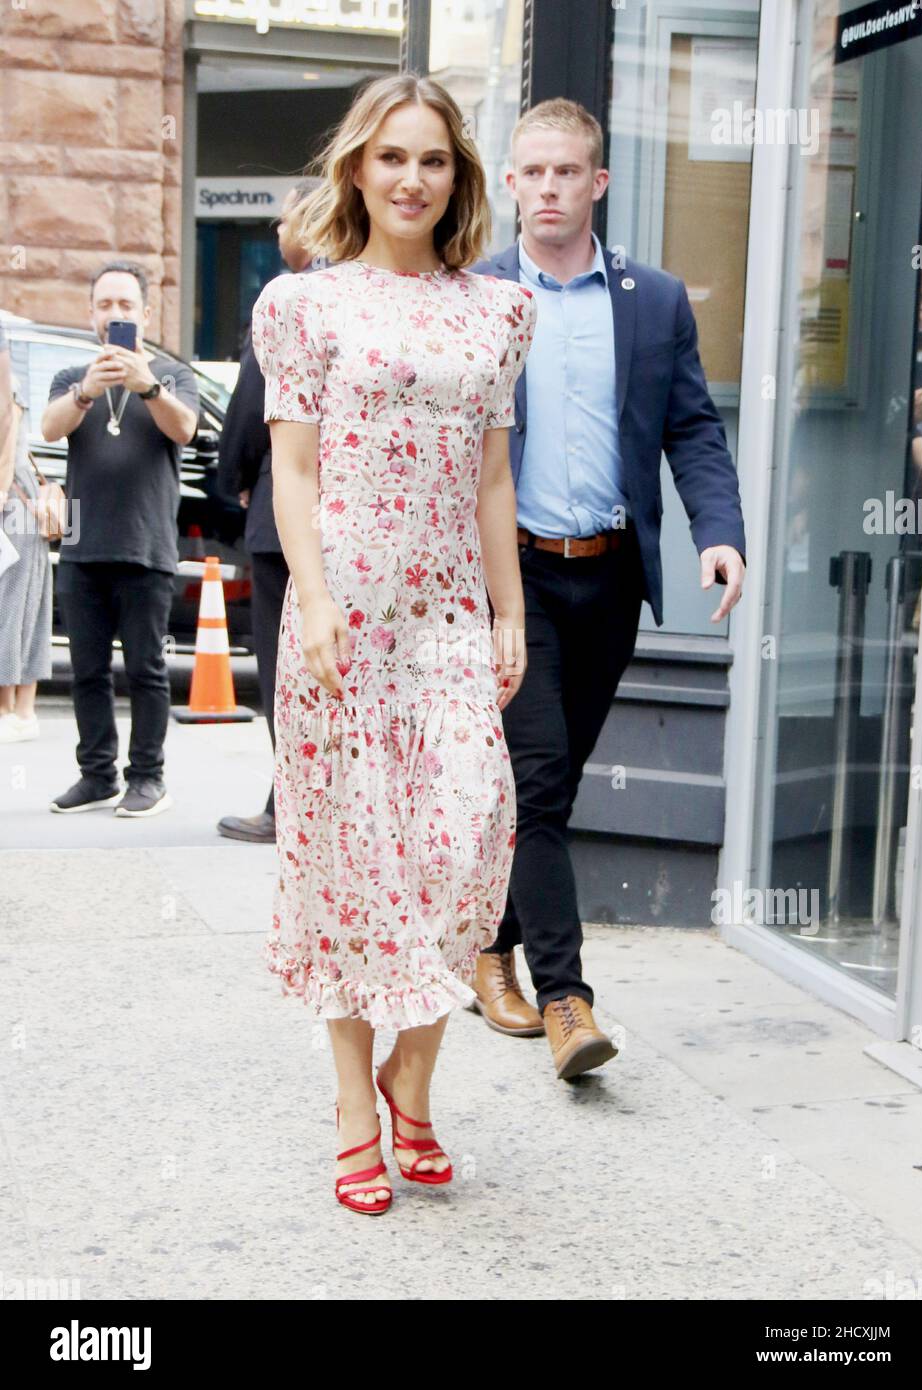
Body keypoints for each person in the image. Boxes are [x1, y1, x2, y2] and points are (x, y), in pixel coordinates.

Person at [251, 73, 535, 1214]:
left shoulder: (499, 311)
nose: (411, 178)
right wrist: (312, 598)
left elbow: (492, 480)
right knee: (351, 867)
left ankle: (412, 1073)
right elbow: (293, 467)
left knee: (464, 847)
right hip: (341, 624)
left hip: (451, 623)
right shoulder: (303, 306)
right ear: (357, 170)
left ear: (456, 177)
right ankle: (358, 1109)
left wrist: (511, 613)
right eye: (391, 157)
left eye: (432, 160)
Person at [471, 99, 746, 1080]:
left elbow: (692, 431)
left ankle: (485, 938)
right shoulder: (473, 292)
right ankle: (566, 1001)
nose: (546, 188)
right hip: (512, 580)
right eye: (529, 172)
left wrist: (717, 534)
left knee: (548, 782)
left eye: (565, 172)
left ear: (597, 182)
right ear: (509, 183)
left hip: (611, 577)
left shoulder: (653, 298)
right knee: (538, 776)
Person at [41, 261, 199, 817]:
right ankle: (96, 774)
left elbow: (185, 429)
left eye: (126, 306)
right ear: (91, 315)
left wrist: (146, 385)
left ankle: (148, 777)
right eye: (105, 306)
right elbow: (49, 427)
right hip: (84, 545)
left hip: (146, 545)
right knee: (85, 671)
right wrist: (88, 389)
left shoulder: (173, 377)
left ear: (145, 315)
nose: (115, 316)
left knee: (146, 671)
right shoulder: (71, 378)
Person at [216, 179, 319, 844]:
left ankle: (291, 810)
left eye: (284, 221)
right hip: (358, 523)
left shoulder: (289, 301)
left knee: (286, 674)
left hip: (285, 521)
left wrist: (235, 477)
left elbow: (253, 406)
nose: (277, 234)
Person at [0, 360, 53, 742]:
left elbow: (6, 454)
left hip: (12, 505)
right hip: (16, 503)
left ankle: (15, 710)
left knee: (15, 606)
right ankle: (19, 710)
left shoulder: (6, 381)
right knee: (19, 605)